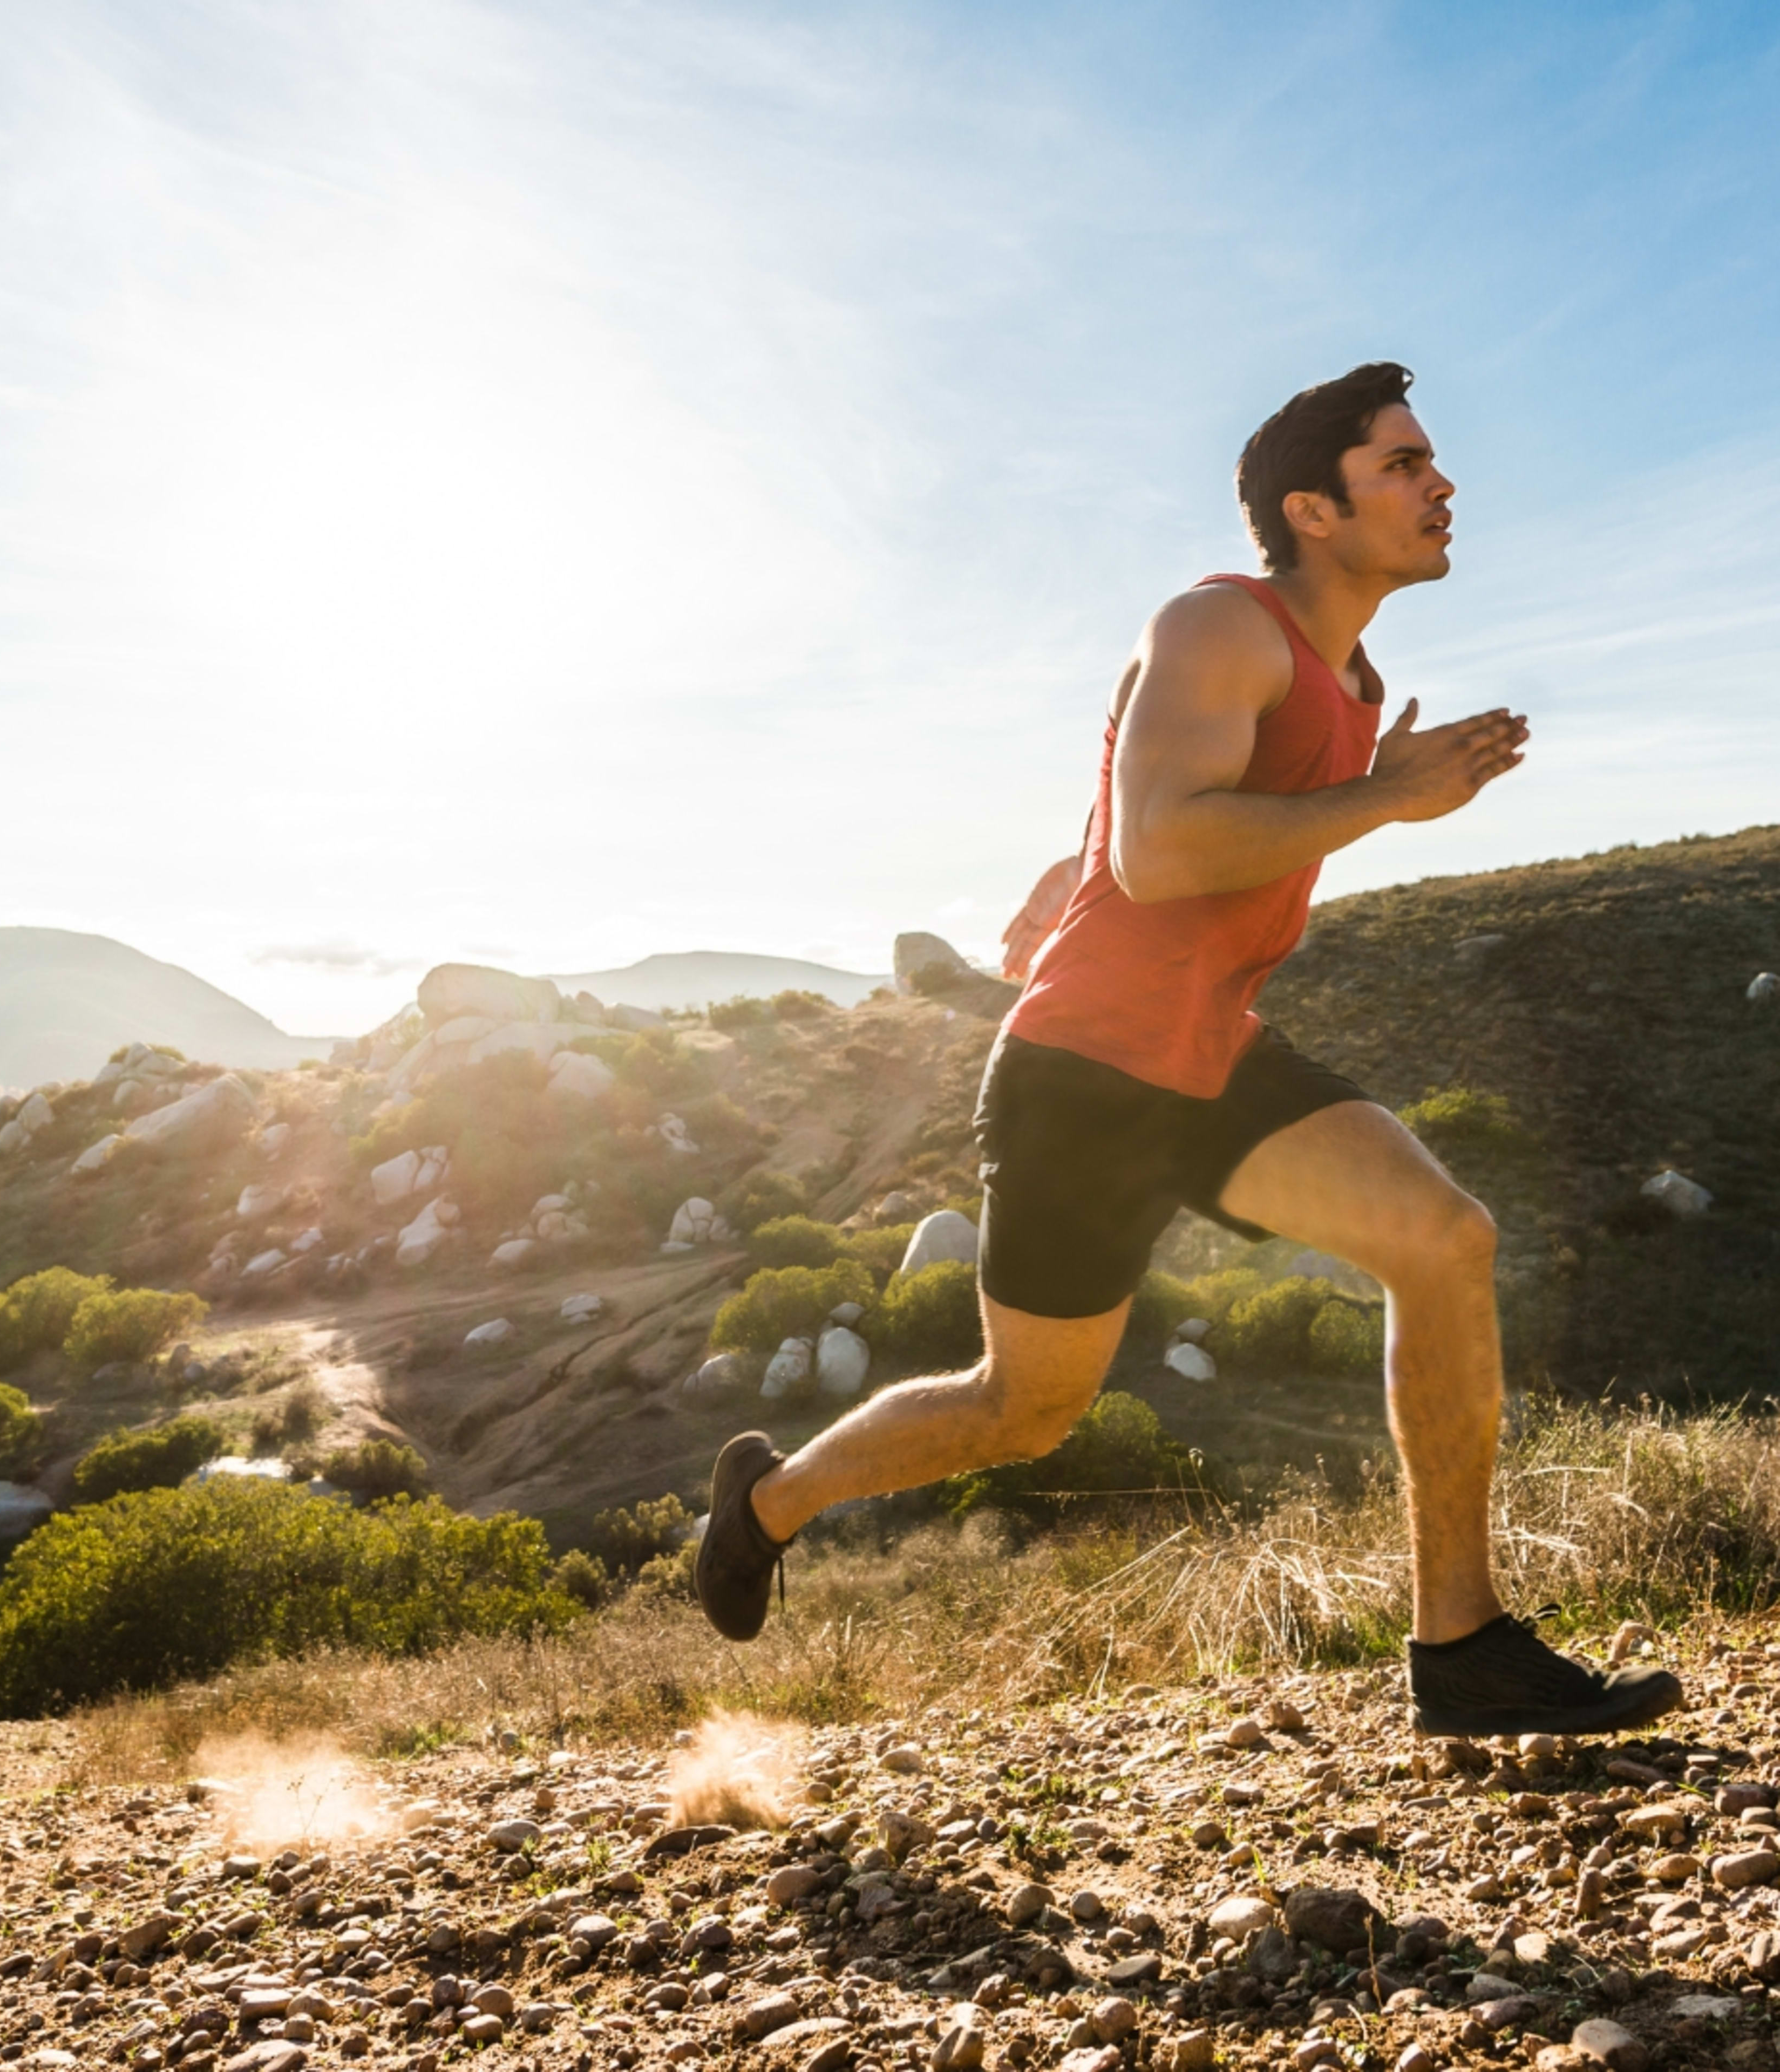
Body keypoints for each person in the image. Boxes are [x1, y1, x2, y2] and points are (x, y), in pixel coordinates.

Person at [695, 362, 1682, 1736]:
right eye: (1403, 465)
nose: (1441, 484)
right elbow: (1163, 850)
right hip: (1084, 1080)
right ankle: (770, 1498)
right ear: (1312, 510)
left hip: (1215, 1054)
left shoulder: (1348, 671)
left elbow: (1137, 786)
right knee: (1024, 1412)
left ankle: (1461, 1648)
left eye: (1429, 461)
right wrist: (1383, 797)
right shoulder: (1223, 622)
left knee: (1443, 1239)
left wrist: (1082, 855)